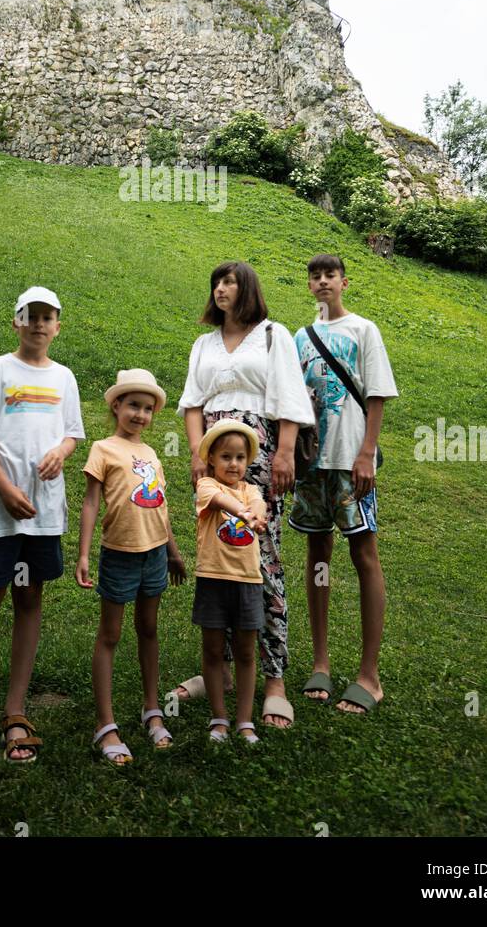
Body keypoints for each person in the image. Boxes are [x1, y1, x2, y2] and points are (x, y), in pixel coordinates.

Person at [0, 286, 85, 765]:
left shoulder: (65, 377)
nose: (40, 325)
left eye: (49, 318)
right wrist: (5, 489)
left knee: (30, 598)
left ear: (58, 327)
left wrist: (61, 453)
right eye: (32, 316)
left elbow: (71, 433)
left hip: (43, 512)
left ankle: (15, 708)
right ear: (16, 322)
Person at [175, 261, 315, 729]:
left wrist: (285, 455)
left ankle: (273, 679)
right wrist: (198, 454)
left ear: (247, 288)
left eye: (229, 281)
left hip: (258, 454)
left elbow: (290, 398)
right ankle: (224, 672)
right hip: (214, 460)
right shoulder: (203, 344)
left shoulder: (274, 335)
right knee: (218, 555)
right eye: (215, 281)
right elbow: (193, 404)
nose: (220, 288)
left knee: (261, 557)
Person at [290, 254, 398, 714]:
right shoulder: (299, 336)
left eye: (329, 275)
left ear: (344, 282)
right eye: (315, 276)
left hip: (351, 460)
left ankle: (369, 676)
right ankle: (321, 661)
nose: (322, 282)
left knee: (364, 554)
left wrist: (367, 452)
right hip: (312, 464)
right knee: (319, 556)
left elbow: (376, 394)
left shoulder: (363, 330)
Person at [76, 369, 186, 765]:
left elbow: (161, 505)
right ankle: (105, 725)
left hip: (155, 554)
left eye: (147, 408)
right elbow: (91, 502)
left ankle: (152, 709)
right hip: (119, 554)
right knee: (110, 635)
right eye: (133, 406)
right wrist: (85, 553)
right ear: (116, 406)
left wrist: (173, 551)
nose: (140, 414)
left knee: (149, 630)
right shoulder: (103, 449)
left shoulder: (152, 454)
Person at [193, 421, 267, 744]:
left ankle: (244, 721)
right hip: (212, 578)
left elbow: (258, 504)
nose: (233, 464)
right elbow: (227, 504)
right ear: (211, 459)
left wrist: (256, 511)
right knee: (212, 649)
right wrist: (245, 513)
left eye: (239, 457)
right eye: (226, 457)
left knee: (246, 653)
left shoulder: (252, 491)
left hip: (248, 581)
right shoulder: (207, 487)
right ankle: (219, 718)